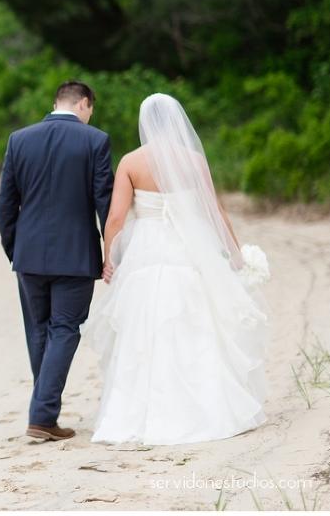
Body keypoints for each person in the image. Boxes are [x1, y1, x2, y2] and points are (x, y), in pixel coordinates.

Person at [80, 93, 270, 445]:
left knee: (145, 326)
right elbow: (215, 210)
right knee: (197, 323)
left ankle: (144, 409)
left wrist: (111, 259)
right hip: (188, 247)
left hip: (147, 251)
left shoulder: (131, 162)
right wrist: (234, 253)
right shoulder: (193, 160)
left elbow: (117, 217)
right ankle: (206, 409)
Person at [0, 80, 114, 441]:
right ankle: (43, 416)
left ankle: (43, 412)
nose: (89, 115)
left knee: (39, 330)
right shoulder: (95, 140)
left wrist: (15, 251)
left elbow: (6, 205)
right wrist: (112, 254)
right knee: (64, 330)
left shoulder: (20, 139)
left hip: (28, 255)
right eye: (90, 109)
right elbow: (105, 204)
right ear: (83, 103)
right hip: (76, 256)